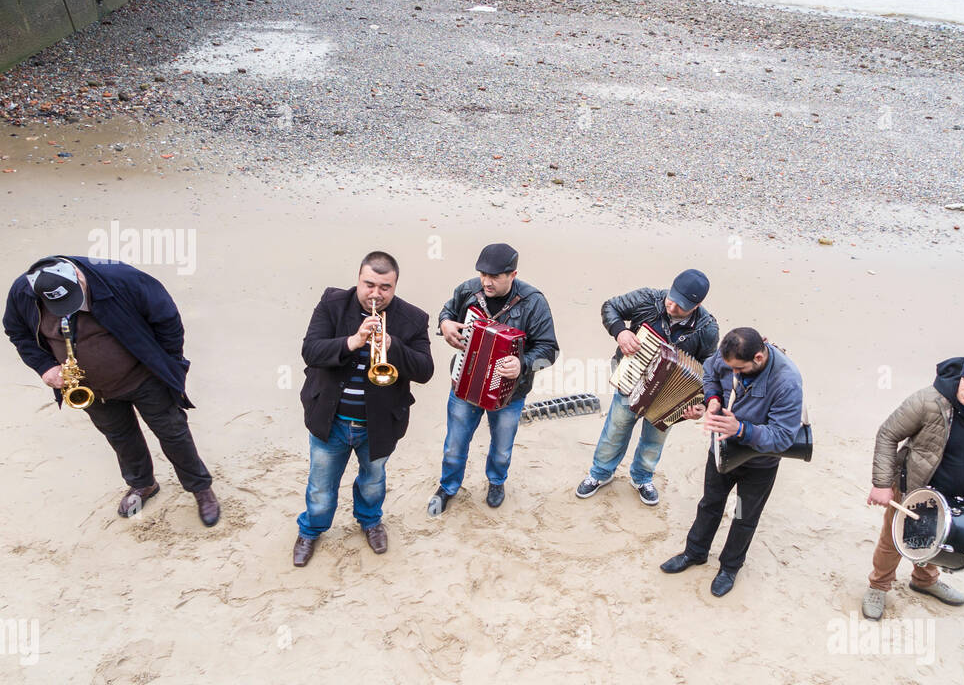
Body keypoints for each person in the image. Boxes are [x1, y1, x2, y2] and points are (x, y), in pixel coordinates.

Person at [2, 256, 219, 525]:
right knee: (120, 436)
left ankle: (200, 488)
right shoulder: (23, 291)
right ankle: (143, 484)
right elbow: (17, 332)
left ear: (79, 277)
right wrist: (45, 368)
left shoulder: (122, 279)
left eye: (71, 299)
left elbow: (166, 318)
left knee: (173, 432)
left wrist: (168, 364)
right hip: (87, 387)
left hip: (143, 377)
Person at [862, 347, 964, 620]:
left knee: (938, 538)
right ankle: (878, 586)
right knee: (895, 539)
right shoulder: (930, 400)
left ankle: (924, 581)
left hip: (960, 494)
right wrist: (881, 484)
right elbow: (888, 433)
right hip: (914, 486)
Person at [293, 251, 433, 567]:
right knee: (321, 484)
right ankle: (311, 529)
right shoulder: (332, 304)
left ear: (395, 286)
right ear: (358, 279)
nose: (375, 294)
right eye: (369, 284)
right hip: (331, 418)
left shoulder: (412, 319)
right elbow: (310, 351)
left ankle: (370, 521)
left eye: (385, 287)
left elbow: (425, 371)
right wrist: (353, 341)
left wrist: (393, 346)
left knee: (373, 480)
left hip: (379, 424)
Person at [660, 327, 803, 597]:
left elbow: (783, 437)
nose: (733, 374)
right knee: (709, 503)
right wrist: (712, 399)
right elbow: (711, 372)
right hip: (721, 450)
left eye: (739, 369)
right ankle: (695, 553)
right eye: (731, 368)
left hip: (759, 463)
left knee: (743, 515)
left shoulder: (788, 381)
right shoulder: (728, 357)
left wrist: (741, 429)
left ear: (759, 358)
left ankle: (729, 567)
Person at [428, 242, 559, 514]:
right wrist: (445, 324)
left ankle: (496, 481)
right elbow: (447, 313)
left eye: (494, 277)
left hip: (510, 393)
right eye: (482, 274)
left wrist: (522, 363)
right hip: (464, 383)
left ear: (512, 274)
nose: (486, 282)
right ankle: (448, 487)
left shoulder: (533, 302)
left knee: (502, 448)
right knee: (454, 444)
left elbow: (549, 351)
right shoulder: (468, 290)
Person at [574, 269, 719, 505]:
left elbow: (709, 370)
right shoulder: (647, 298)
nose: (672, 308)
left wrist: (700, 404)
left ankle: (642, 478)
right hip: (630, 376)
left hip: (670, 395)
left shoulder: (708, 328)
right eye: (672, 299)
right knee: (616, 429)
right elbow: (610, 307)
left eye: (681, 306)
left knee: (655, 439)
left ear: (697, 304)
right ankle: (600, 473)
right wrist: (620, 332)